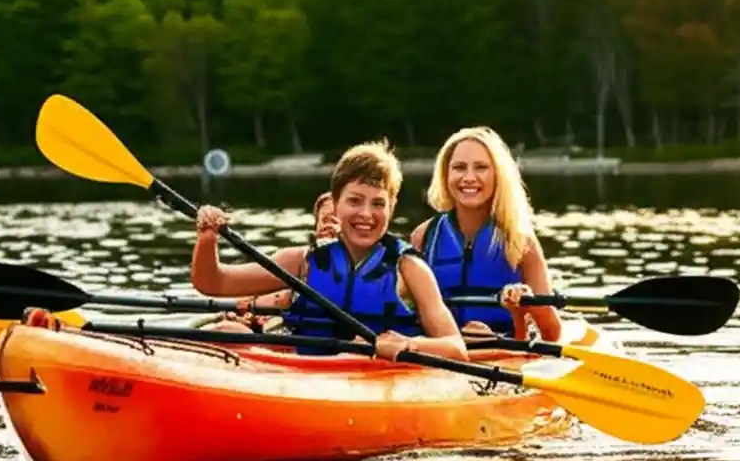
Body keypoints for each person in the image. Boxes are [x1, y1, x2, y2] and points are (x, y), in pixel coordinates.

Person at [191, 141, 468, 362]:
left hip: (378, 380)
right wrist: (207, 239)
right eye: (355, 201)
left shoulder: (409, 269)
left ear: (392, 207)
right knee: (228, 331)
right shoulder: (302, 262)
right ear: (335, 204)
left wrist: (409, 343)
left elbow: (456, 348)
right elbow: (213, 282)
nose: (366, 214)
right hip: (307, 376)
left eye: (378, 204)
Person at [410, 126, 562, 341]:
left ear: (497, 175)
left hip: (506, 352)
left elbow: (552, 334)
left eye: (481, 167)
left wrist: (529, 303)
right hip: (445, 353)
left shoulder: (521, 241)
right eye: (459, 168)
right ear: (446, 174)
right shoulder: (424, 237)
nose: (469, 177)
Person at [198, 191, 338, 334]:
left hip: (346, 346)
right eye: (326, 220)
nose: (330, 226)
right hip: (288, 346)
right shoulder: (299, 260)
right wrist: (208, 235)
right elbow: (211, 281)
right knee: (227, 329)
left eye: (338, 220)